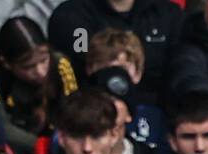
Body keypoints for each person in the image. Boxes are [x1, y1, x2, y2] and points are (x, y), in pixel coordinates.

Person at [0, 17, 80, 154]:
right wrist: (42, 146)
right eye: (28, 67)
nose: (41, 72)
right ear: (6, 63)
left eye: (44, 60)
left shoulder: (60, 64)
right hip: (11, 143)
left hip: (55, 138)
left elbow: (74, 115)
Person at [48, 0, 183, 95]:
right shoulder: (72, 17)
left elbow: (178, 68)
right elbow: (79, 60)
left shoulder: (168, 14)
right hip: (92, 110)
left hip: (155, 112)